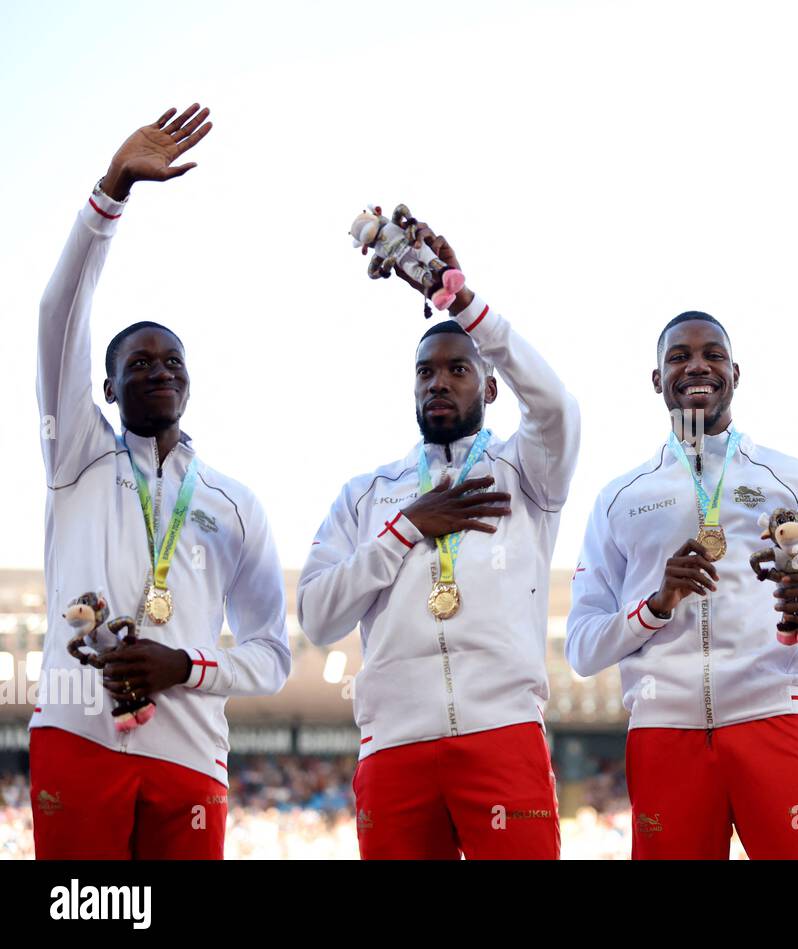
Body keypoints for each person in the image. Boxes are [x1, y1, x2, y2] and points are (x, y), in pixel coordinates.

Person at [31, 104, 292, 859]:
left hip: (190, 757)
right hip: (79, 736)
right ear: (106, 391)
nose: (158, 371)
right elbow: (58, 316)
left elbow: (271, 653)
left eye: (171, 361)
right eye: (137, 363)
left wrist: (186, 665)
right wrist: (111, 192)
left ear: (191, 382)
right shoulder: (77, 456)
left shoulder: (232, 502)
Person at [297, 221, 580, 859]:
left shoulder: (527, 470)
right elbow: (316, 616)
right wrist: (405, 531)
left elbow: (558, 406)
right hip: (394, 749)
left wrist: (465, 303)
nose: (439, 383)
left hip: (502, 735)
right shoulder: (367, 495)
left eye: (458, 369)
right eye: (426, 372)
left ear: (489, 387)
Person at [566, 311, 798, 859]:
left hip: (774, 719)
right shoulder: (620, 497)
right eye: (678, 356)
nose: (697, 366)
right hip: (664, 733)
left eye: (712, 354)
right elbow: (583, 650)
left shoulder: (796, 480)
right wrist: (655, 607)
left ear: (735, 371)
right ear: (657, 379)